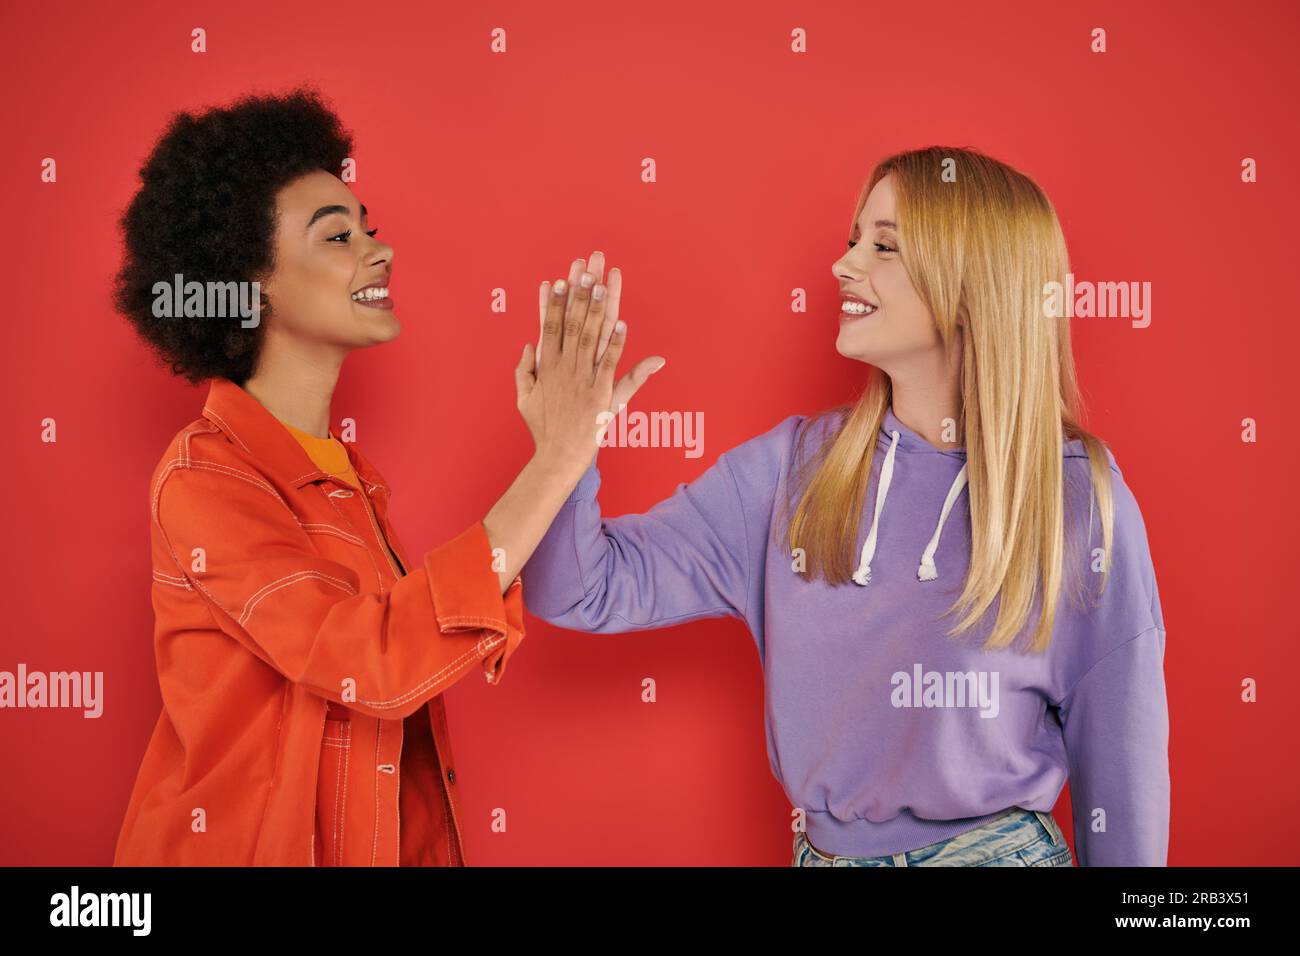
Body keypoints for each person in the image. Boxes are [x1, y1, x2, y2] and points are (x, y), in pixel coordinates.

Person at [521, 145, 1170, 866]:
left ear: (972, 282)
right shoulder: (792, 470)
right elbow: (576, 591)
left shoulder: (1075, 498)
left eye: (884, 246)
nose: (844, 264)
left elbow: (1124, 772)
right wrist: (565, 449)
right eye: (853, 239)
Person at [110, 86, 661, 865]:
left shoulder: (347, 481)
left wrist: (567, 451)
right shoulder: (203, 480)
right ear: (249, 281)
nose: (380, 249)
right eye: (337, 237)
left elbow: (402, 702)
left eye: (369, 228)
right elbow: (368, 661)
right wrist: (558, 457)